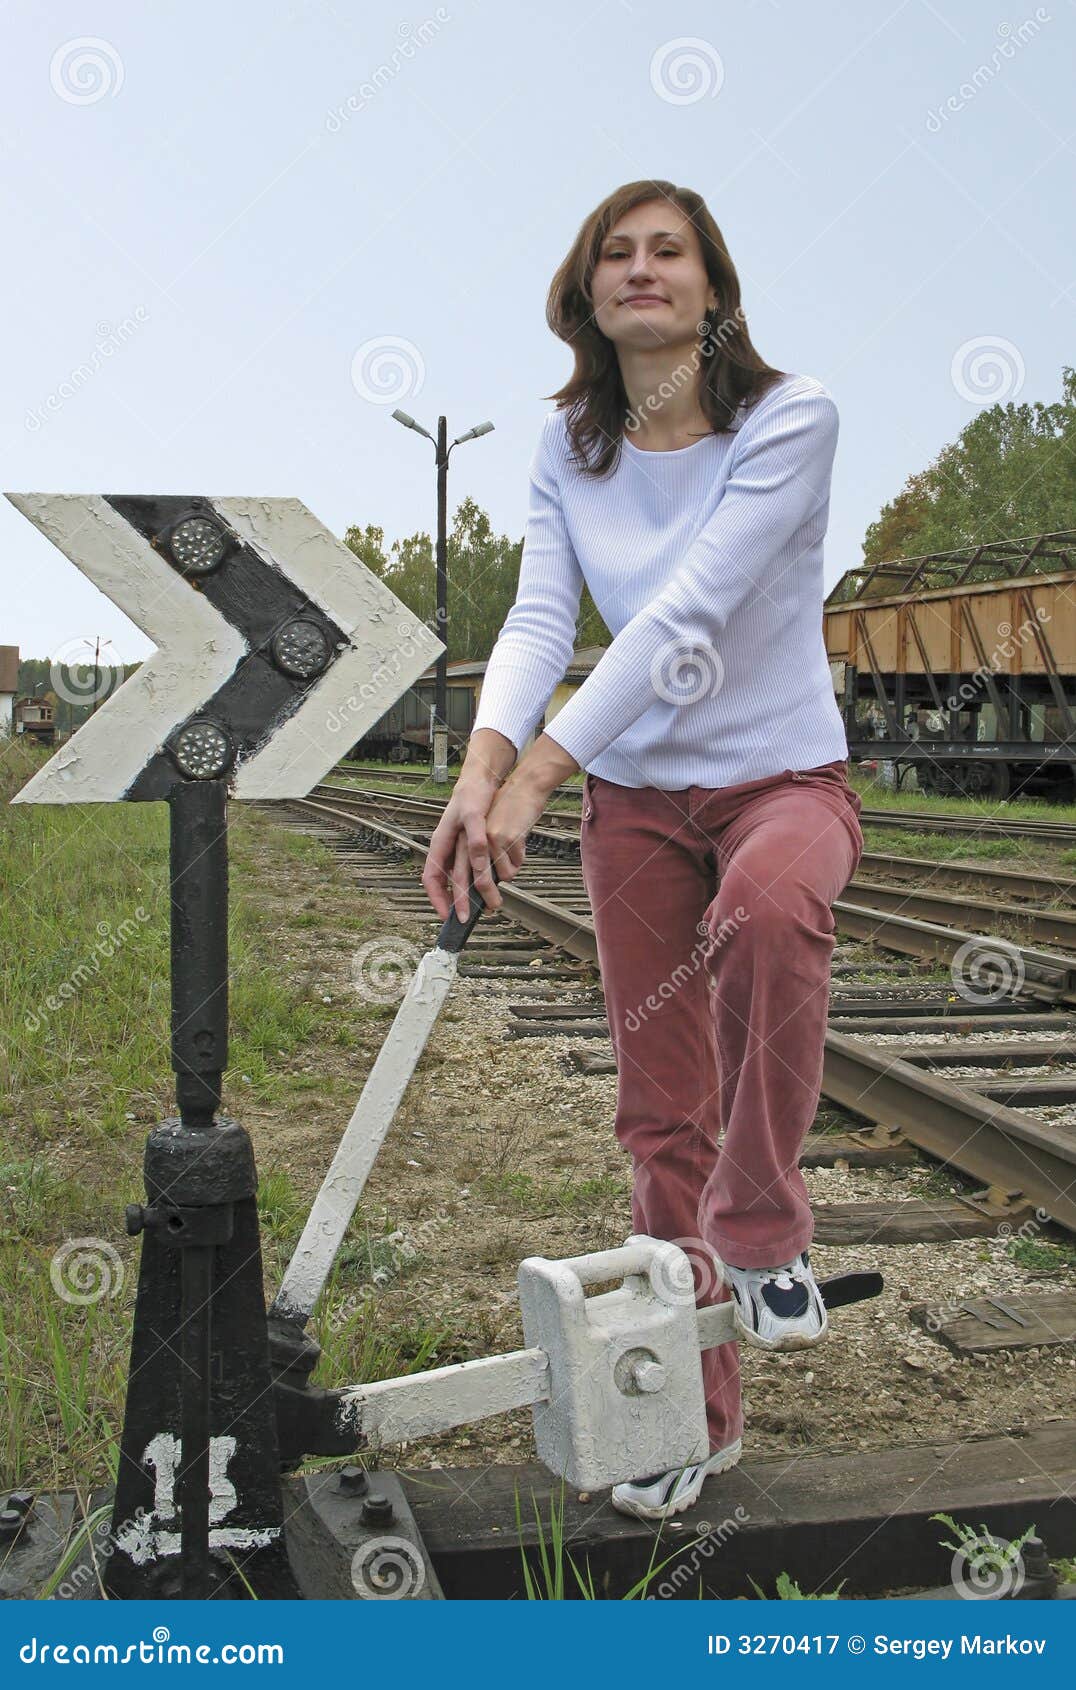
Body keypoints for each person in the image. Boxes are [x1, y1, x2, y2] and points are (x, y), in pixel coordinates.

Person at [421, 179, 864, 1524]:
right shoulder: (571, 449)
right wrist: (481, 767)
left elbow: (687, 615)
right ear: (587, 294)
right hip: (637, 809)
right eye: (615, 252)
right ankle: (692, 1419)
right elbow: (538, 618)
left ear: (714, 288)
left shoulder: (790, 420)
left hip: (779, 779)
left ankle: (765, 1224)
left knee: (772, 914)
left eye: (670, 250)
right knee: (662, 1117)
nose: (642, 268)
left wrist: (538, 772)